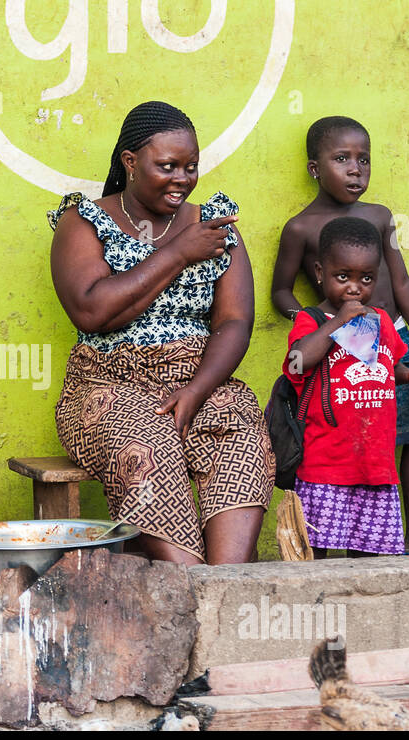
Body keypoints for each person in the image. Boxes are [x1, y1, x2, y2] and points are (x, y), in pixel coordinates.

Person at [49, 100, 273, 566]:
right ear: (130, 162)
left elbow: (234, 321)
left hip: (200, 379)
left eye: (190, 167)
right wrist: (178, 254)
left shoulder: (213, 224)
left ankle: (222, 588)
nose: (182, 178)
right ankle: (190, 588)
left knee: (242, 431)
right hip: (107, 387)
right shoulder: (84, 220)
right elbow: (92, 312)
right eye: (167, 166)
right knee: (147, 446)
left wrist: (197, 390)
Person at [270, 116, 409, 553]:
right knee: (351, 437)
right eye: (342, 159)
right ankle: (338, 541)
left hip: (394, 339)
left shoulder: (379, 216)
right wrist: (312, 320)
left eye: (363, 160)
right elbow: (279, 290)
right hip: (341, 347)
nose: (355, 169)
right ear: (315, 168)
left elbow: (401, 284)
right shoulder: (300, 228)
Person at [283, 217, 409, 557]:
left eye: (365, 278)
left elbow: (386, 364)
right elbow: (297, 362)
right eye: (343, 277)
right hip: (327, 465)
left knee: (371, 559)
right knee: (317, 555)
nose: (355, 288)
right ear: (320, 272)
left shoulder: (379, 320)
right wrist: (338, 322)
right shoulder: (312, 320)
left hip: (375, 465)